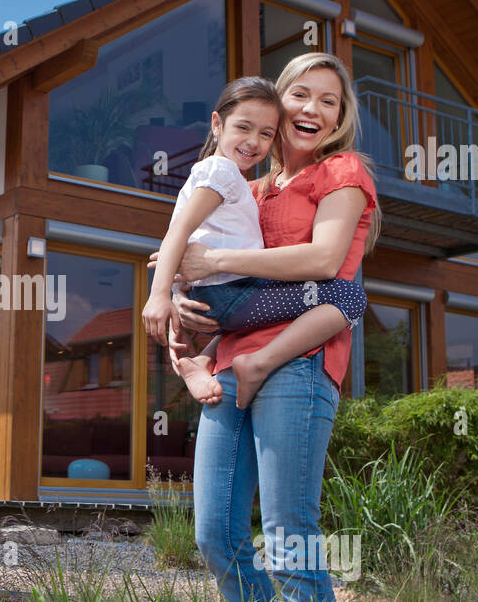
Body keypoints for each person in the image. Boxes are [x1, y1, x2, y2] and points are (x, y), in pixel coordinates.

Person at [151, 52, 381, 602]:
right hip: (228, 361)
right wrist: (177, 294)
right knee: (216, 535)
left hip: (300, 361)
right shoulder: (249, 186)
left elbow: (324, 261)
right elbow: (194, 246)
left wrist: (214, 266)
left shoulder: (342, 170)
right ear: (279, 106)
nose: (312, 109)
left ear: (339, 118)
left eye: (328, 101)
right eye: (300, 95)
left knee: (287, 536)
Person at [142, 76, 367, 410]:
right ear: (217, 124)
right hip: (229, 294)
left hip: (223, 292)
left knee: (279, 285)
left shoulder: (223, 177)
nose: (253, 142)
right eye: (244, 128)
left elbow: (189, 237)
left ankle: (202, 361)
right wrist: (160, 295)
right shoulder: (223, 173)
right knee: (348, 295)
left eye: (266, 134)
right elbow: (178, 232)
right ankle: (258, 363)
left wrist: (179, 291)